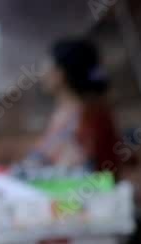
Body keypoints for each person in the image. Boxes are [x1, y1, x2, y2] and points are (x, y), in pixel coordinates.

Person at [27, 38, 125, 177]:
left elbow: (83, 167)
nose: (42, 73)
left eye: (47, 65)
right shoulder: (65, 112)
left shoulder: (89, 116)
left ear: (61, 74)